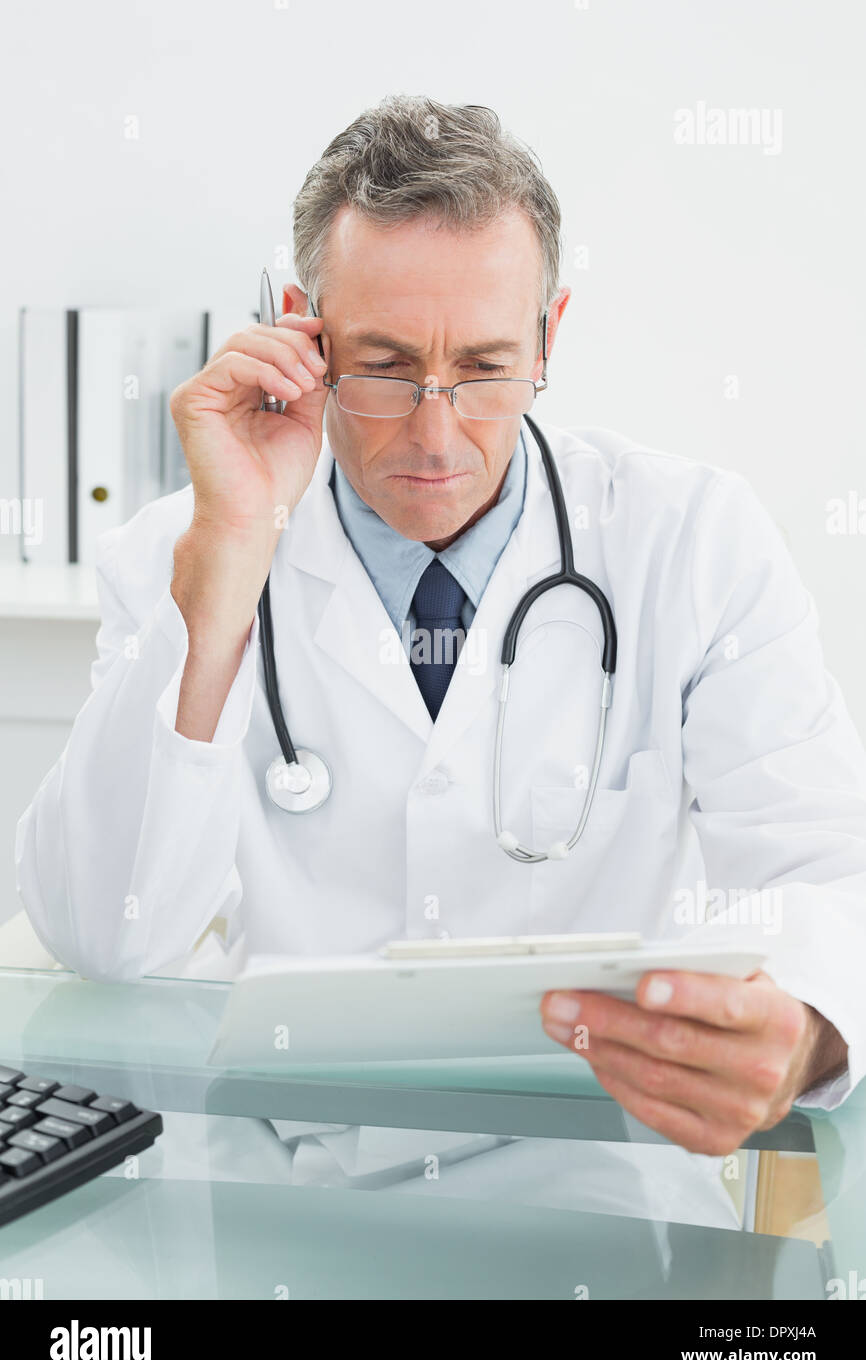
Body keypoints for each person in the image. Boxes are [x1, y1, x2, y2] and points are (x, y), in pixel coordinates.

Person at [15, 98, 866, 1208]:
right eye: (380, 365)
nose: (433, 430)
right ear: (299, 329)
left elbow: (822, 872)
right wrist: (226, 563)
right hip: (266, 1191)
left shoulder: (689, 542)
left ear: (550, 335)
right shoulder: (181, 551)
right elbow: (102, 935)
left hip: (599, 1182)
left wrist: (803, 1029)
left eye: (483, 367)